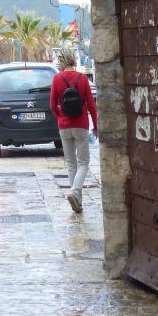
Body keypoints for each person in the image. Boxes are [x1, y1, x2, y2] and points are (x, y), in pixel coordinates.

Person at [50, 47, 98, 214]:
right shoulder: (82, 78)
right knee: (83, 163)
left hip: (64, 126)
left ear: (62, 62)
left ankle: (78, 202)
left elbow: (52, 105)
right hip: (81, 125)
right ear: (73, 60)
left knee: (71, 164)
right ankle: (75, 192)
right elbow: (91, 106)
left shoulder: (56, 79)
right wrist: (96, 125)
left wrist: (60, 117)